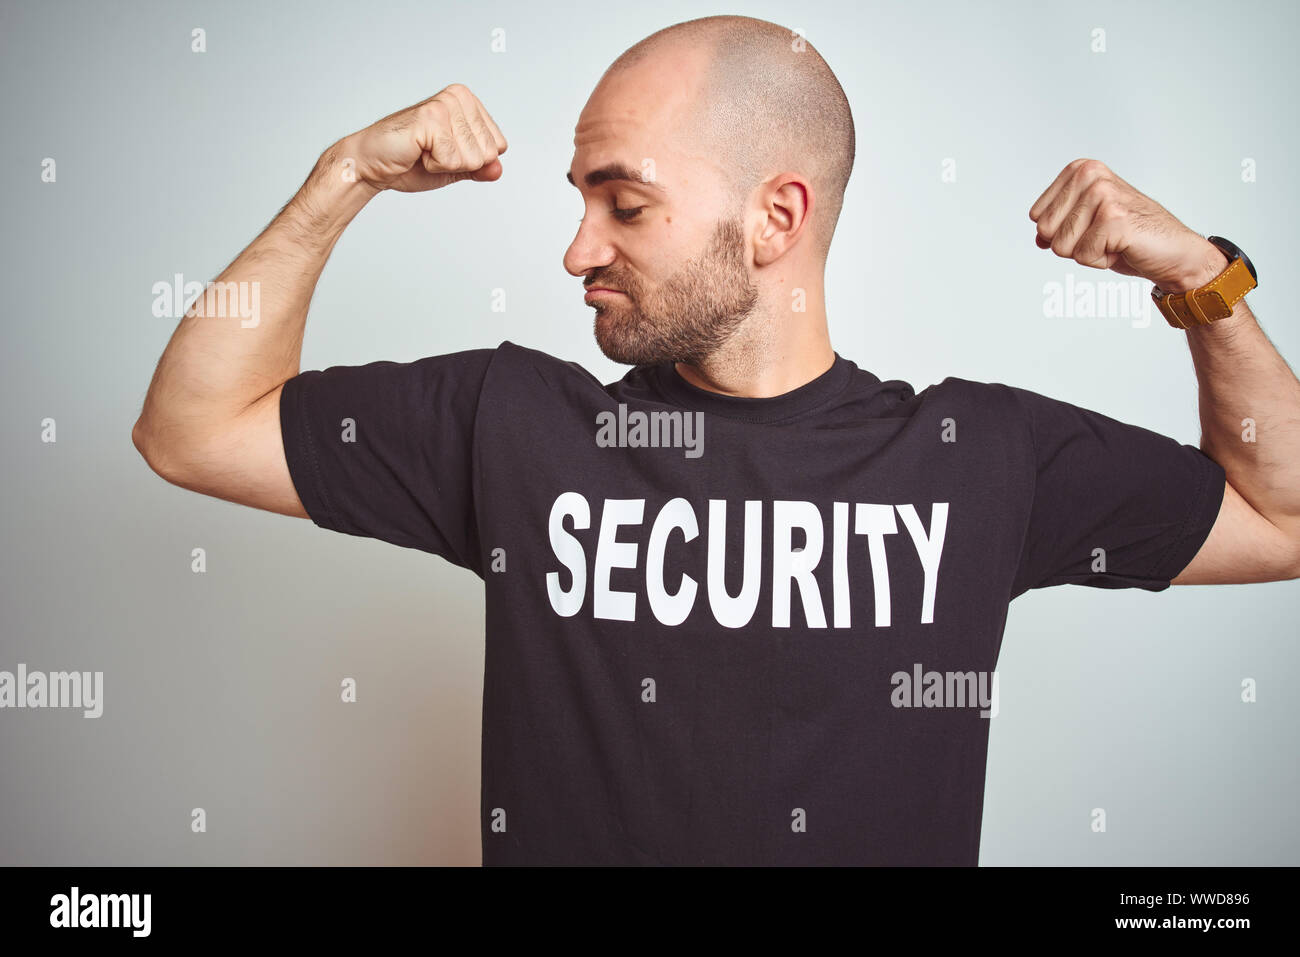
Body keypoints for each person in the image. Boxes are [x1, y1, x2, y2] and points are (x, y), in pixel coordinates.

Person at [131, 15, 1299, 865]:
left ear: (776, 216)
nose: (576, 250)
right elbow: (192, 431)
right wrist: (342, 178)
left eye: (623, 204)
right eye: (581, 201)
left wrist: (1203, 280)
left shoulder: (976, 453)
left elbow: (1281, 516)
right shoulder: (514, 426)